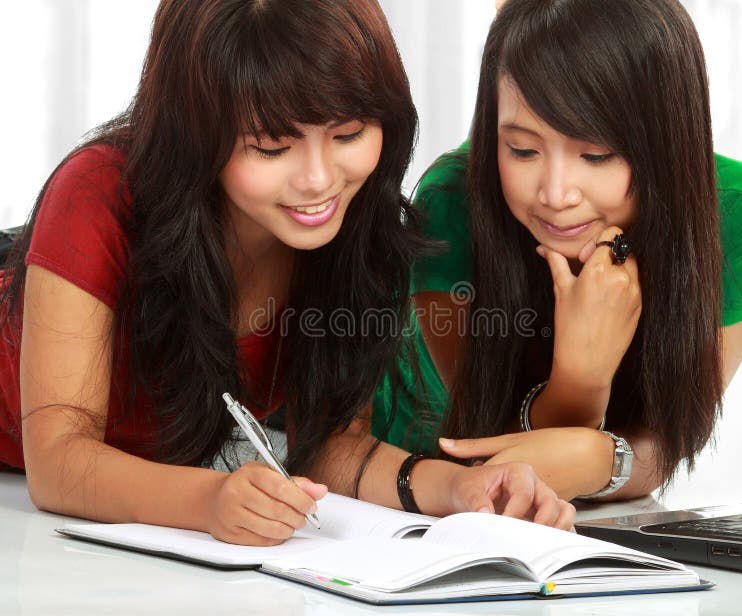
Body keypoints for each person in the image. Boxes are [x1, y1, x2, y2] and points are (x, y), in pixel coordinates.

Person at [0, 0, 575, 545]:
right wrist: (208, 502)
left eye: (348, 135)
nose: (319, 180)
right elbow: (57, 461)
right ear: (194, 132)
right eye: (273, 147)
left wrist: (457, 487)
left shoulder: (354, 227)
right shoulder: (97, 196)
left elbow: (329, 446)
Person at [372, 0, 742, 501]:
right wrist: (581, 379)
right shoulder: (452, 200)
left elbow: (663, 447)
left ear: (665, 139)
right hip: (409, 497)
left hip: (594, 525)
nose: (555, 193)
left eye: (596, 155)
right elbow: (494, 463)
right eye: (522, 150)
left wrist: (598, 457)